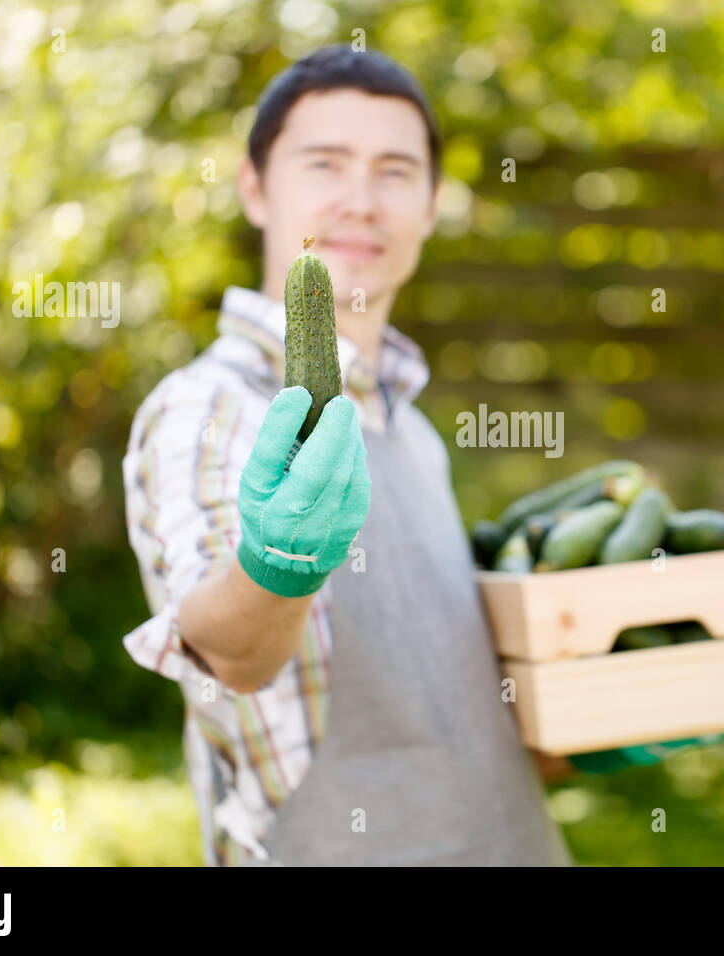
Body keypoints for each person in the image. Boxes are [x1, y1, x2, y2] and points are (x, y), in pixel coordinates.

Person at [120, 44, 572, 866]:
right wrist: (274, 570)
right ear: (256, 189)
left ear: (432, 205)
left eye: (396, 172)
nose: (361, 201)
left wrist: (580, 724)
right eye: (325, 163)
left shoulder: (412, 428)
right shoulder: (206, 412)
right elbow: (230, 657)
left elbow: (434, 711)